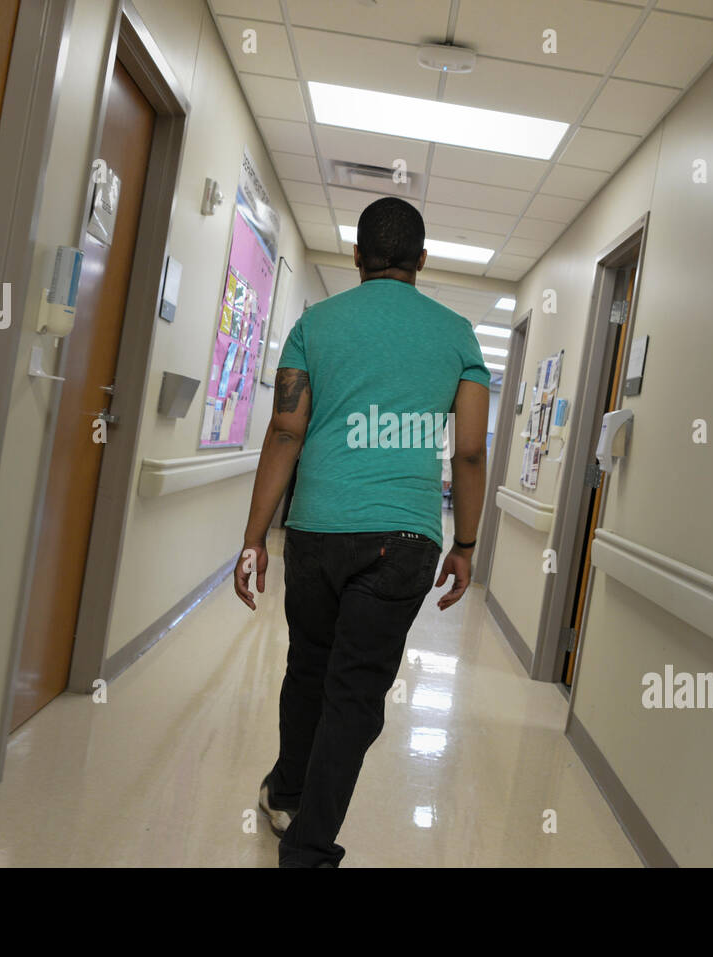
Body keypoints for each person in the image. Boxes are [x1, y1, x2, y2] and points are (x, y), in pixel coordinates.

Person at [233, 197, 490, 867]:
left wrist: (254, 536)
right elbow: (468, 451)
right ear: (422, 261)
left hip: (317, 528)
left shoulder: (315, 326)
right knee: (355, 694)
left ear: (356, 257)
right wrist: (466, 543)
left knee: (308, 666)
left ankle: (287, 788)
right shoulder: (459, 335)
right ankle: (309, 849)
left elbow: (286, 429)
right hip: (405, 540)